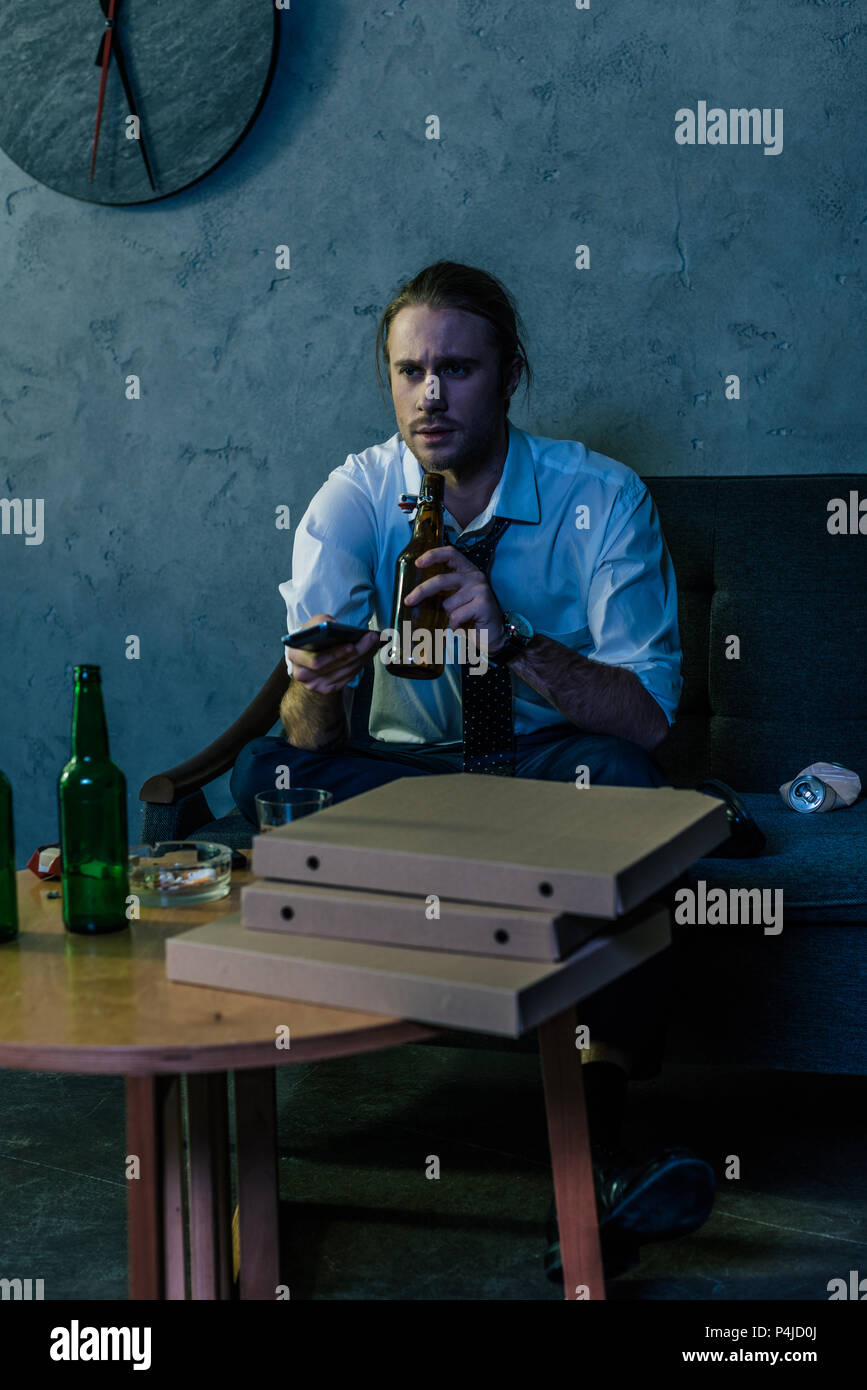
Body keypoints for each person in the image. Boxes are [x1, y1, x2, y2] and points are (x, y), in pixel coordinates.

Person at [231, 260, 715, 1282]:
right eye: (410, 372)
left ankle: (603, 1142)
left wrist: (515, 637)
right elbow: (308, 738)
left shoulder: (600, 496)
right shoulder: (357, 497)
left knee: (632, 791)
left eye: (457, 368)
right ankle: (594, 1178)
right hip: (402, 774)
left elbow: (653, 718)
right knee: (265, 782)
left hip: (548, 766)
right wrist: (318, 680)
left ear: (511, 376)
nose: (431, 396)